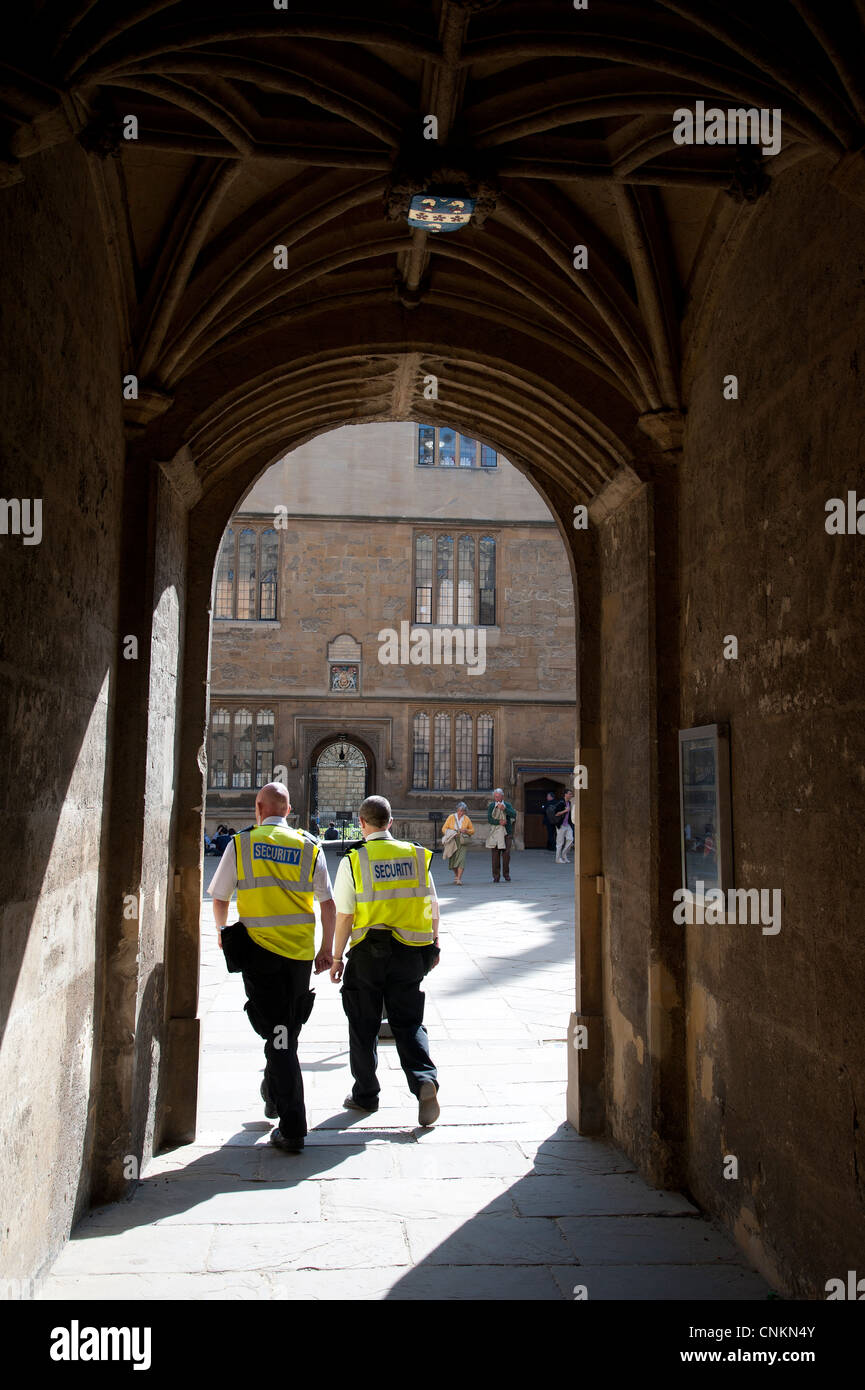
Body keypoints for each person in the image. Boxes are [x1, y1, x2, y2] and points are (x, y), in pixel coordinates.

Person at [208, 781, 336, 1153]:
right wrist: (326, 948)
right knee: (284, 1032)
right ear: (289, 809)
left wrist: (221, 932)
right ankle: (274, 1092)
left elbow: (219, 896)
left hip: (260, 954)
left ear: (258, 808)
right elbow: (327, 903)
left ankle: (293, 1126)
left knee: (280, 1037)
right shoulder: (308, 846)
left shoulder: (242, 844)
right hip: (297, 956)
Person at [329, 795, 440, 1126]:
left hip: (368, 952)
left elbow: (345, 916)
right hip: (410, 951)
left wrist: (336, 958)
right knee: (408, 1022)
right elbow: (433, 906)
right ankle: (423, 1080)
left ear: (362, 824)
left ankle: (365, 1094)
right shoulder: (417, 856)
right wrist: (434, 945)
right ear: (390, 823)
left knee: (363, 1024)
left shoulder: (354, 861)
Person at [486, 787, 517, 882]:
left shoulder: (507, 805)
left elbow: (514, 815)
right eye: (495, 797)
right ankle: (496, 876)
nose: (497, 799)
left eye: (498, 797)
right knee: (495, 855)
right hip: (495, 833)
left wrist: (505, 809)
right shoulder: (491, 806)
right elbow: (489, 819)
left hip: (507, 833)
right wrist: (499, 822)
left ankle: (506, 874)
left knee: (506, 854)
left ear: (502, 796)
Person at [441, 801, 474, 885]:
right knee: (452, 860)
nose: (461, 812)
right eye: (459, 810)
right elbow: (444, 829)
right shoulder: (451, 817)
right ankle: (456, 875)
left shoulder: (467, 819)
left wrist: (466, 830)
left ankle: (459, 878)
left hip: (462, 841)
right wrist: (452, 832)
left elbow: (472, 831)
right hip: (452, 840)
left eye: (463, 811)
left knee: (461, 860)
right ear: (457, 810)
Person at [555, 789, 574, 863]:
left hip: (567, 824)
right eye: (569, 794)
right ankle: (558, 859)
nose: (571, 795)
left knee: (571, 839)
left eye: (571, 794)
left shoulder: (569, 802)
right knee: (560, 843)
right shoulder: (560, 802)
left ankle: (563, 854)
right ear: (565, 794)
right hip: (561, 825)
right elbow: (556, 813)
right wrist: (565, 811)